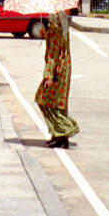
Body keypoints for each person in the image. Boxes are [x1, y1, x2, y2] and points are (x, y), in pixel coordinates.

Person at [35, 10, 80, 149]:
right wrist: (46, 35)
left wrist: (48, 75)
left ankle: (65, 129)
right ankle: (59, 136)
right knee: (58, 103)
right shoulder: (62, 29)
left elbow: (53, 55)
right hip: (64, 70)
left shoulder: (55, 31)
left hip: (57, 72)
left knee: (44, 99)